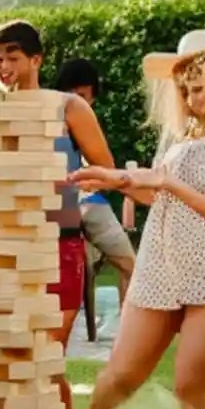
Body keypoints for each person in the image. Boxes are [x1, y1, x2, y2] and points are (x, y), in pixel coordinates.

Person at [64, 30, 205, 409]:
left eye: (201, 87)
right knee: (120, 374)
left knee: (189, 384)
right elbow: (160, 195)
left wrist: (168, 181)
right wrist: (121, 182)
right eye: (186, 90)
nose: (193, 99)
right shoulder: (183, 136)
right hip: (161, 265)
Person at [0, 21, 116, 409]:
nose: (4, 64)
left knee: (47, 358)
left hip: (60, 244)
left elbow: (106, 172)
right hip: (10, 249)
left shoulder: (69, 108)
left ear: (36, 60)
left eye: (13, 55)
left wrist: (66, 181)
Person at [53, 58, 136, 304]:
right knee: (132, 266)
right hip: (70, 203)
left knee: (131, 266)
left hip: (87, 201)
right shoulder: (52, 115)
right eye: (73, 95)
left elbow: (105, 170)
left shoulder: (84, 120)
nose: (78, 101)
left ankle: (129, 330)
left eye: (83, 96)